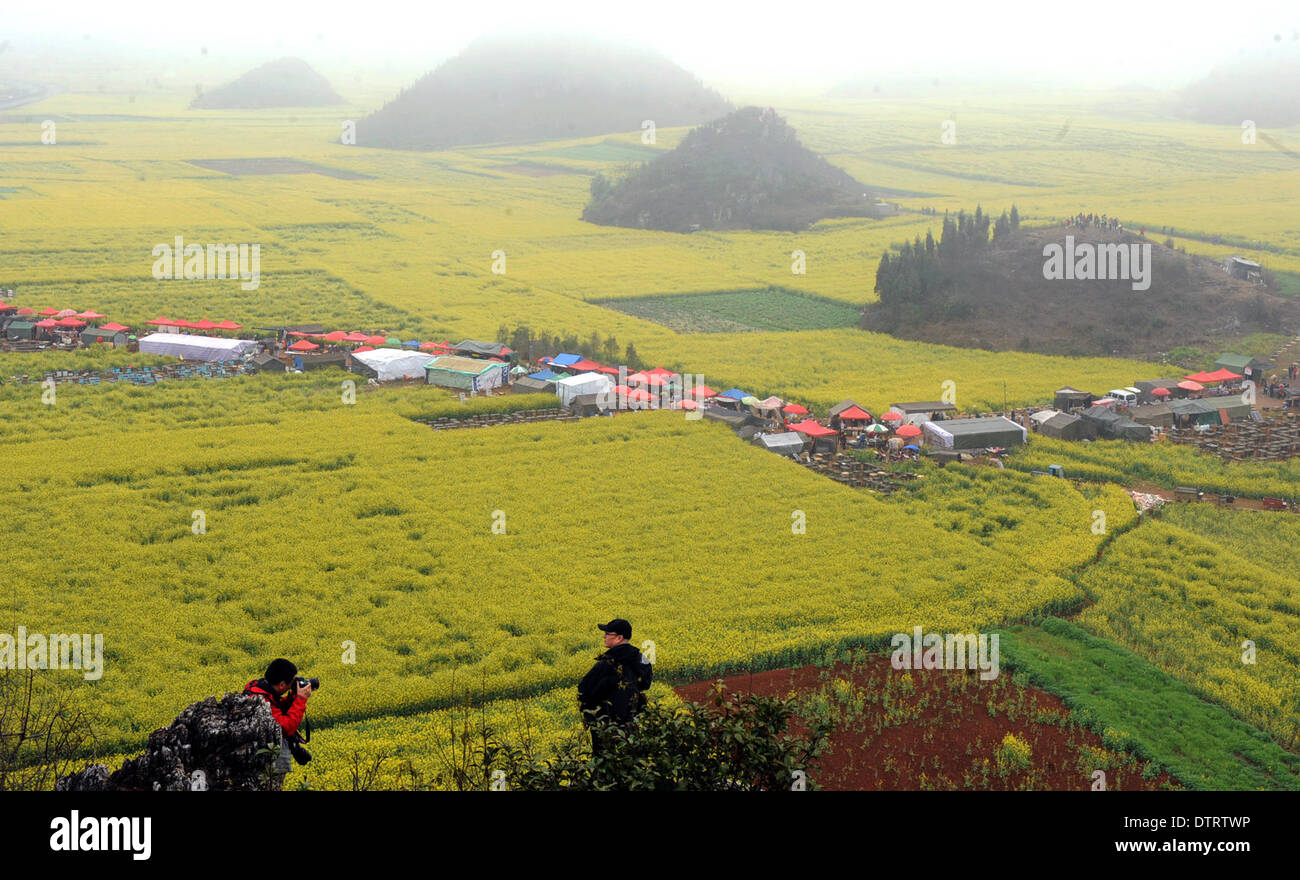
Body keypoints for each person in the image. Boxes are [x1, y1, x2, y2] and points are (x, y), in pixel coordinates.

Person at [577, 619, 652, 756]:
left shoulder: (605, 664)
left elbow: (584, 691)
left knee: (605, 766)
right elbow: (646, 684)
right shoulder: (642, 659)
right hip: (632, 723)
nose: (604, 636)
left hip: (606, 728)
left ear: (619, 638)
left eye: (607, 633)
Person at [246, 658, 313, 769]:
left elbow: (275, 708)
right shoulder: (261, 700)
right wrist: (301, 700)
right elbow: (286, 727)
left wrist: (292, 697)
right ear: (282, 685)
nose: (291, 685)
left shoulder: (258, 688)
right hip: (268, 757)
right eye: (291, 682)